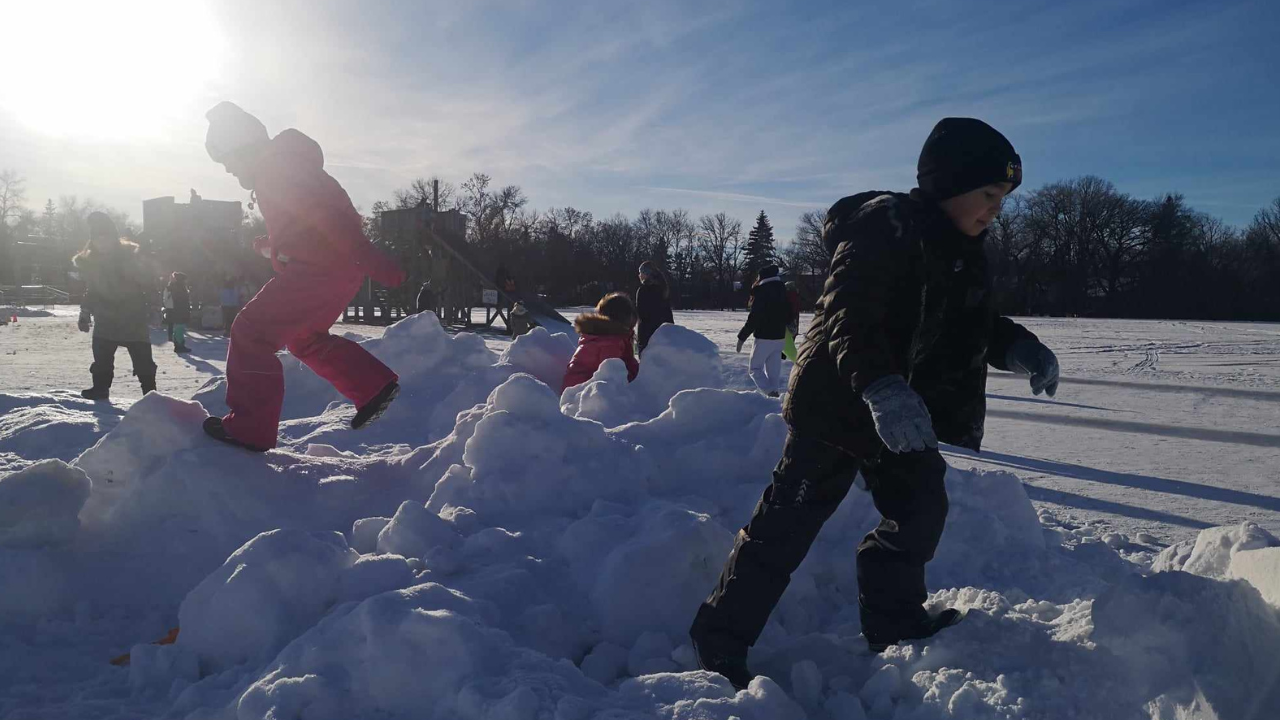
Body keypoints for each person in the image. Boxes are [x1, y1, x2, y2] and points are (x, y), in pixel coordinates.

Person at [689, 118, 1061, 689]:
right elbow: (849, 315)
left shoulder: (962, 252)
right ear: (949, 184)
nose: (996, 210)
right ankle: (719, 641)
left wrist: (1020, 348)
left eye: (1004, 199)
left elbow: (972, 324)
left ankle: (894, 622)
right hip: (838, 406)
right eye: (989, 195)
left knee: (919, 512)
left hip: (901, 416)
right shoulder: (884, 227)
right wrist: (879, 386)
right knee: (786, 526)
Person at [201, 101, 406, 452]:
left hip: (321, 269)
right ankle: (372, 386)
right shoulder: (280, 168)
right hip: (332, 268)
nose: (229, 171)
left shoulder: (278, 171)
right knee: (303, 338)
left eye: (228, 161)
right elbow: (304, 224)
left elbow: (326, 216)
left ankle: (251, 428)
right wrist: (271, 245)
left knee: (251, 332)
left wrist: (368, 255)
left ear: (242, 147)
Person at [74, 212, 158, 400]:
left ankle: (150, 393)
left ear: (114, 238)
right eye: (97, 238)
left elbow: (148, 284)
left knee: (143, 359)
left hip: (133, 317)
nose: (101, 243)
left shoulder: (130, 258)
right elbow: (92, 290)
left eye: (105, 238)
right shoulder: (92, 262)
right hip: (105, 318)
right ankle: (100, 388)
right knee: (102, 357)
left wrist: (154, 307)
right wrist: (85, 311)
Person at [562, 292, 639, 392]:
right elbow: (613, 375)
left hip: (579, 389)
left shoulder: (604, 336)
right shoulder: (610, 343)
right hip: (581, 395)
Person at [735, 264, 789, 397]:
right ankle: (774, 397)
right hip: (780, 337)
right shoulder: (783, 291)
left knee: (755, 369)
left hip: (764, 337)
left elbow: (754, 318)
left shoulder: (762, 292)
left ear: (763, 277)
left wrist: (742, 337)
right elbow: (789, 315)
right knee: (773, 373)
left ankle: (770, 393)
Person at [635, 261, 673, 355]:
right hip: (663, 332)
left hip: (647, 333)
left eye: (641, 272)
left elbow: (641, 313)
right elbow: (667, 312)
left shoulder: (643, 290)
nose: (639, 275)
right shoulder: (663, 289)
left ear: (646, 274)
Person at [166, 272, 192, 353]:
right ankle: (179, 345)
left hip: (177, 310)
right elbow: (183, 300)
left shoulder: (174, 287)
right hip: (181, 310)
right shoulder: (180, 288)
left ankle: (178, 344)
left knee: (178, 328)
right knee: (180, 328)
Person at [783, 280, 802, 363]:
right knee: (792, 338)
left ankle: (784, 357)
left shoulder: (786, 296)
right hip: (794, 319)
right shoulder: (796, 296)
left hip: (788, 320)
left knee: (786, 341)